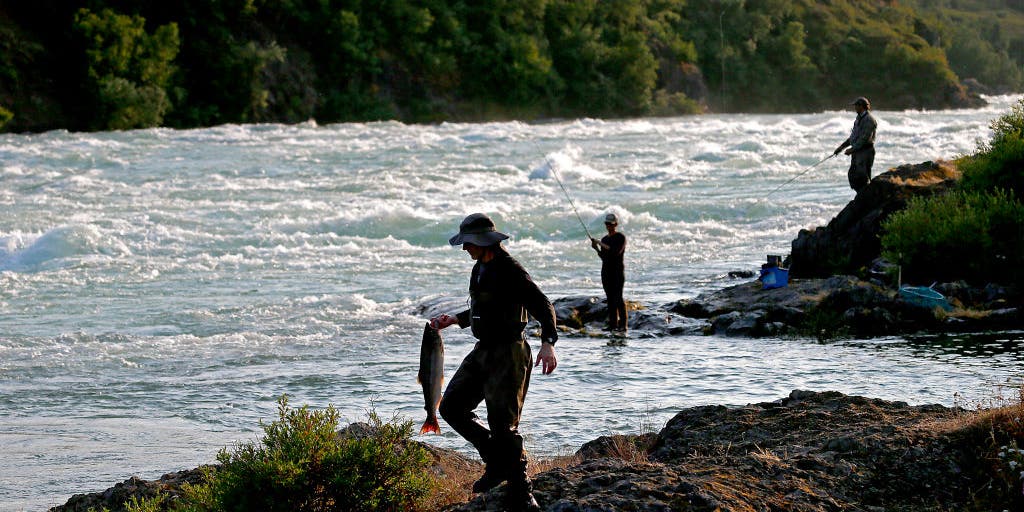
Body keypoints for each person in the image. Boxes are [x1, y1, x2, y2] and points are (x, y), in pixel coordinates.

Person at [430, 213, 558, 512]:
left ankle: (522, 490)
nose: (464, 249)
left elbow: (543, 304)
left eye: (468, 243)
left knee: (503, 425)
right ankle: (497, 462)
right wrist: (456, 319)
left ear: (482, 241)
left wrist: (548, 343)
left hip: (509, 353)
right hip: (483, 351)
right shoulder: (479, 268)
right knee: (451, 407)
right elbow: (482, 307)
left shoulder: (510, 269)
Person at [590, 212, 627, 332]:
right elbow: (604, 257)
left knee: (618, 298)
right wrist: (596, 248)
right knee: (610, 299)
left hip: (617, 272)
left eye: (611, 224)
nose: (609, 226)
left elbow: (615, 252)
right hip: (606, 272)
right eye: (607, 224)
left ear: (616, 224)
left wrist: (600, 243)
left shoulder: (620, 238)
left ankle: (623, 325)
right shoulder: (605, 239)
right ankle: (613, 325)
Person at [833, 96, 878, 193]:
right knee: (853, 175)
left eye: (856, 105)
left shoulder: (869, 120)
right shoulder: (858, 119)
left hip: (866, 151)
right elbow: (853, 137)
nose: (855, 108)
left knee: (862, 176)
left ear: (862, 106)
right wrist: (841, 147)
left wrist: (852, 149)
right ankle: (861, 196)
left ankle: (865, 198)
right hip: (858, 152)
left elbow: (864, 138)